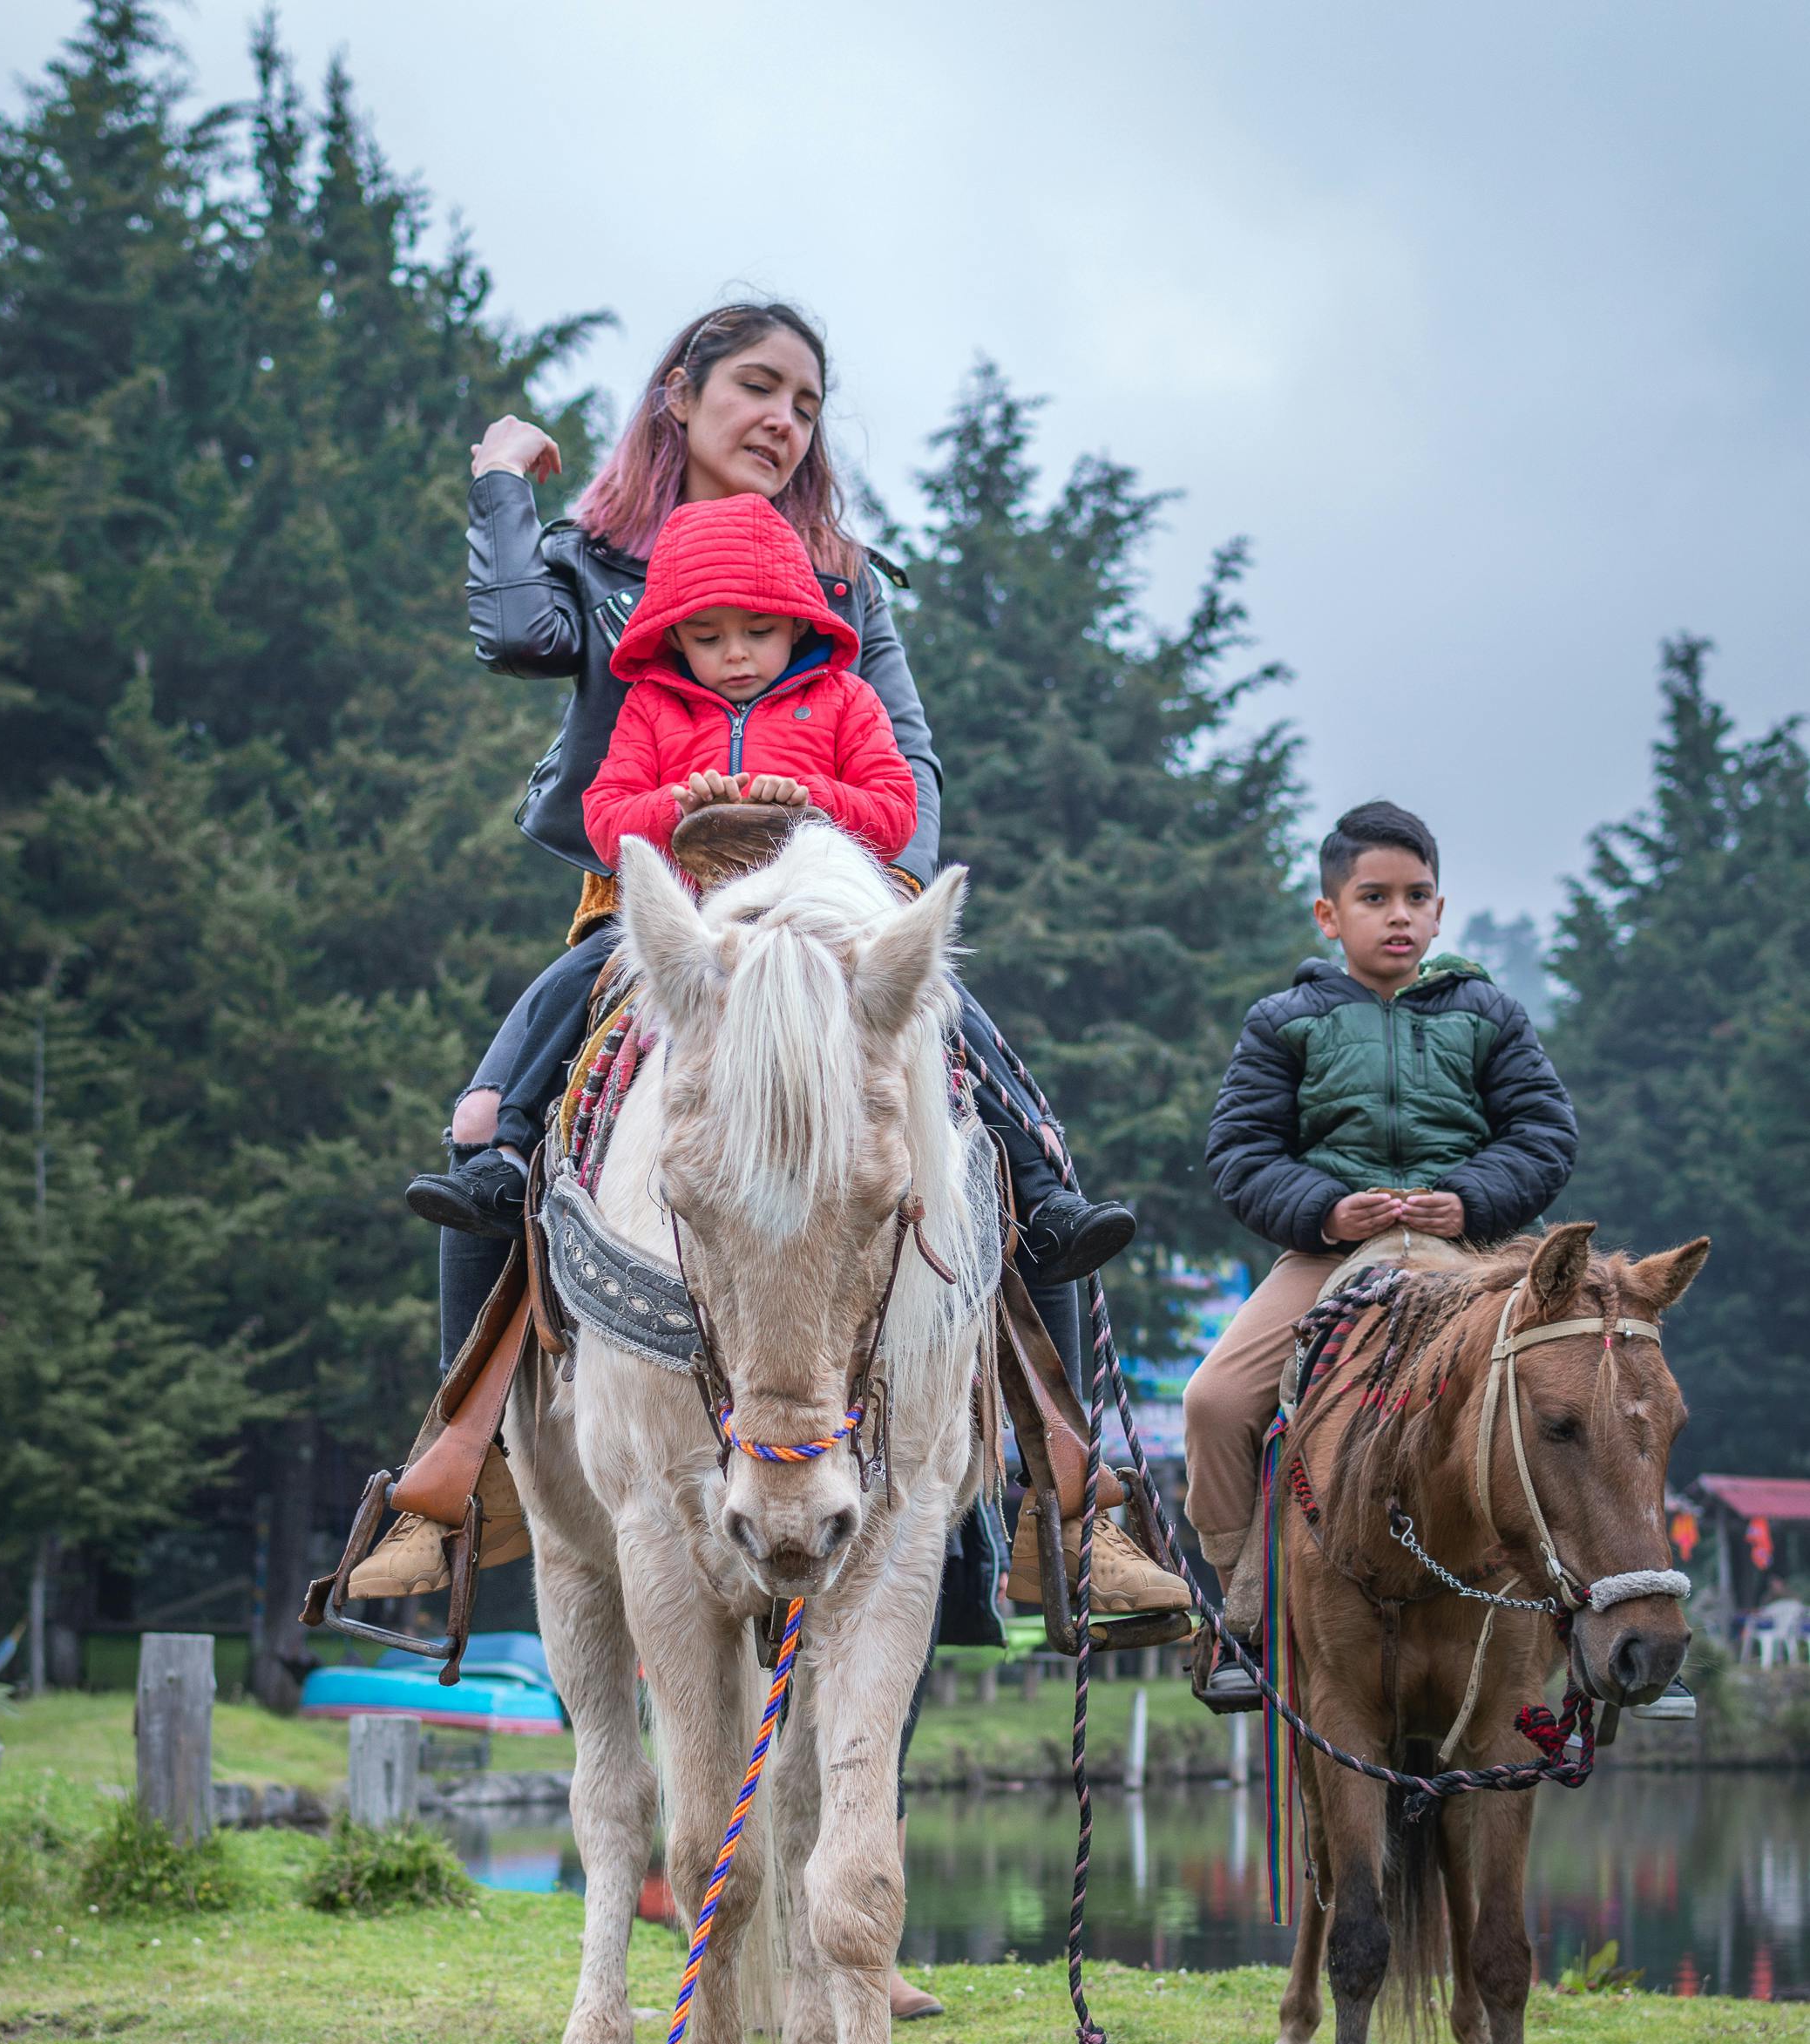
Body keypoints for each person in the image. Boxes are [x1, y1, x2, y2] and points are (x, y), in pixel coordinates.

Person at [408, 295, 1187, 1635]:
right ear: (679, 397)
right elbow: (519, 639)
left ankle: (1078, 1504)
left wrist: (858, 890)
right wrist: (496, 482)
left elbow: (908, 761)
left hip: (826, 917)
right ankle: (448, 1480)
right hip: (657, 921)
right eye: (757, 388)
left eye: (807, 404)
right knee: (493, 1130)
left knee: (1018, 1132)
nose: (782, 420)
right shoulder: (598, 565)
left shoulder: (842, 589)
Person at [1183, 798, 1579, 1701]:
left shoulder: (1487, 1012)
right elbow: (1241, 1153)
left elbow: (1543, 1135)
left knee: (1583, 1396)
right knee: (1211, 1401)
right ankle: (1238, 1603)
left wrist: (1468, 1200)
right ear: (1329, 915)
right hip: (1328, 1258)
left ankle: (1595, 1612)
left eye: (1416, 895)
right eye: (1373, 896)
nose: (1397, 914)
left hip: (1470, 1258)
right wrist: (1326, 1210)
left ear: (1438, 910)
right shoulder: (1282, 1019)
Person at [584, 489, 919, 865]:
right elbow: (605, 823)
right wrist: (681, 809)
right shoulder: (650, 706)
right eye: (707, 638)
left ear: (799, 623)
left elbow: (896, 816)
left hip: (813, 908)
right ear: (674, 636)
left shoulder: (848, 700)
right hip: (692, 916)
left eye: (760, 633)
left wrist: (810, 801)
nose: (736, 653)